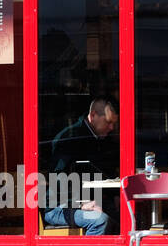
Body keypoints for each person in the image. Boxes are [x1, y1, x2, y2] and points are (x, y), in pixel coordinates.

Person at [43, 98, 119, 235]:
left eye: (114, 123)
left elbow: (105, 172)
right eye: (108, 122)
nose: (112, 128)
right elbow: (58, 179)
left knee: (127, 217)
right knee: (99, 220)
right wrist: (80, 204)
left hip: (92, 201)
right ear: (94, 115)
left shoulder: (102, 140)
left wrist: (116, 195)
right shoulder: (70, 139)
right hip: (58, 207)